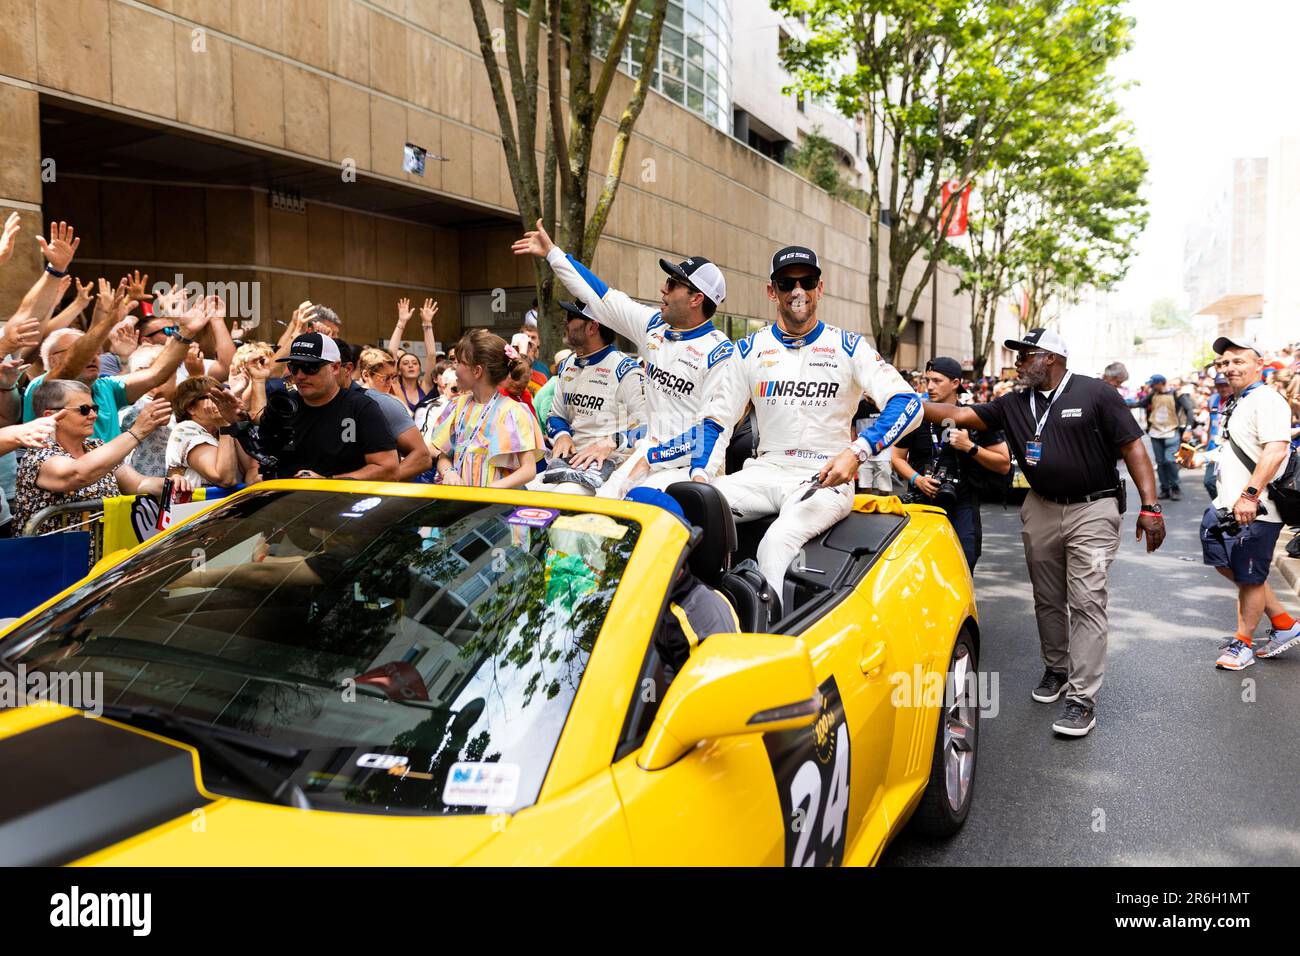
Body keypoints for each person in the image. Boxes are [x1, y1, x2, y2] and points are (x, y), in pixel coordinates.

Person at [919, 328, 1165, 738]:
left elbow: (1133, 446)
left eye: (1024, 355)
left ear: (1050, 357)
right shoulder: (1014, 402)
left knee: (1086, 600)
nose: (1016, 362)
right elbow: (959, 416)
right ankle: (1057, 668)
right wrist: (899, 398)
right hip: (1041, 506)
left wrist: (1151, 506)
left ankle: (1082, 699)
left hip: (1093, 507)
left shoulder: (1096, 394)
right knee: (1047, 597)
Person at [696, 245, 920, 598]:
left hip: (825, 475)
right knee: (687, 509)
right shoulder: (748, 349)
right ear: (772, 292)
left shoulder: (848, 346)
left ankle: (770, 643)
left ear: (820, 287)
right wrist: (700, 477)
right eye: (787, 283)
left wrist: (857, 453)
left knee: (776, 542)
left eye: (807, 281)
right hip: (763, 472)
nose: (797, 291)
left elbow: (908, 403)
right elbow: (715, 422)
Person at [512, 218, 734, 494]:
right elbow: (601, 297)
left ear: (696, 299)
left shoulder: (721, 352)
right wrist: (553, 254)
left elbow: (709, 433)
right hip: (646, 454)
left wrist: (650, 455)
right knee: (597, 512)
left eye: (672, 283)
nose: (662, 290)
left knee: (631, 509)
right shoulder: (654, 326)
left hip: (689, 468)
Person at [1201, 336, 1300, 668]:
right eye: (1224, 362)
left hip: (1256, 507)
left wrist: (1250, 495)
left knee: (1250, 577)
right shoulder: (1238, 400)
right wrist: (1202, 458)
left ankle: (1241, 644)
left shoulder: (1267, 400)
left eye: (1238, 361)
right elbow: (1238, 448)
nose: (1229, 367)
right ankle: (1284, 624)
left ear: (1260, 365)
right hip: (1226, 504)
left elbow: (1276, 449)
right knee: (1227, 563)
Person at [23, 279, 209, 441]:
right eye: (79, 349)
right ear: (53, 360)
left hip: (113, 477)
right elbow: (70, 365)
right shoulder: (43, 387)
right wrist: (109, 322)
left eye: (96, 351)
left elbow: (156, 374)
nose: (93, 356)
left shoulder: (106, 387)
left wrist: (185, 332)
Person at [15, 379, 192, 535]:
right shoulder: (38, 453)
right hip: (55, 562)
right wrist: (137, 432)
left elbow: (137, 484)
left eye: (94, 408)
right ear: (52, 416)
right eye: (84, 410)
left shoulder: (96, 446)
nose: (93, 415)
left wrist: (170, 484)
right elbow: (77, 473)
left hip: (101, 559)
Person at [891, 356, 1011, 570]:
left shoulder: (976, 417)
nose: (929, 386)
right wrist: (917, 479)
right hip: (921, 505)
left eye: (937, 381)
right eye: (927, 380)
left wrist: (970, 447)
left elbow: (1003, 464)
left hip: (962, 506)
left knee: (961, 568)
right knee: (918, 572)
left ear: (956, 383)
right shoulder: (917, 416)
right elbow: (897, 459)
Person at [528, 300, 647, 495]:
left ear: (592, 327)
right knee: (524, 492)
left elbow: (649, 428)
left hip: (607, 466)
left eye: (572, 318)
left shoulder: (625, 371)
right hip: (567, 460)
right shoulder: (567, 364)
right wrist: (562, 435)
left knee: (559, 497)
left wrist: (611, 442)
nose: (565, 322)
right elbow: (555, 415)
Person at [625, 487, 739, 683]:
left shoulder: (703, 611)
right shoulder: (617, 593)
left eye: (631, 539)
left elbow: (721, 696)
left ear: (669, 545)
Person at [260, 333, 398, 481]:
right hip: (288, 500)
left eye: (309, 367)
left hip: (342, 500)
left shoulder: (361, 408)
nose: (300, 376)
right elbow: (261, 459)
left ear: (335, 367)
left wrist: (328, 482)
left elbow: (388, 469)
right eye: (294, 367)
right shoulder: (285, 407)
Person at [427, 330, 544, 488]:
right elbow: (441, 454)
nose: (455, 369)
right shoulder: (457, 406)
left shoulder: (512, 412)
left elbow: (528, 469)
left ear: (477, 371)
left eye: (460, 363)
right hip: (462, 505)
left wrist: (489, 492)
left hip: (495, 508)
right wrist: (449, 472)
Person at [355, 347, 435, 482]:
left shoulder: (389, 401)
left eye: (393, 377)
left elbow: (421, 456)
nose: (390, 383)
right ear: (366, 375)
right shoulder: (357, 399)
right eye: (385, 378)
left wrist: (386, 477)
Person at [166, 375, 259, 488]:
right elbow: (224, 478)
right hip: (202, 505)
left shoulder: (224, 430)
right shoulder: (185, 429)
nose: (221, 401)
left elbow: (251, 469)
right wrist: (224, 425)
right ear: (191, 408)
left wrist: (235, 420)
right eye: (213, 396)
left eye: (221, 396)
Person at [1130, 373, 1193, 500]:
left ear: (1161, 383)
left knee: (1170, 460)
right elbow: (1140, 403)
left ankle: (1175, 487)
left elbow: (1189, 410)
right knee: (1160, 462)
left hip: (1172, 431)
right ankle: (1164, 488)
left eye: (1154, 384)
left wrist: (1188, 428)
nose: (1152, 386)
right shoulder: (1153, 394)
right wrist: (1123, 403)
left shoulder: (1176, 394)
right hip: (1155, 432)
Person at [387, 297, 440, 411]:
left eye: (415, 363)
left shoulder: (426, 385)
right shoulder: (395, 384)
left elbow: (431, 355)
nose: (411, 365)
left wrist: (427, 324)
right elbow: (391, 354)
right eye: (405, 363)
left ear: (419, 368)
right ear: (399, 370)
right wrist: (401, 322)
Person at [1203, 372, 1233, 500]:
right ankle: (1221, 507)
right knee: (1209, 481)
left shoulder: (1238, 400)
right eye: (1220, 385)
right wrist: (1207, 439)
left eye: (1226, 385)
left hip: (1231, 449)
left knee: (1228, 483)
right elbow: (1211, 420)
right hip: (1213, 447)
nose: (1223, 388)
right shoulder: (1213, 399)